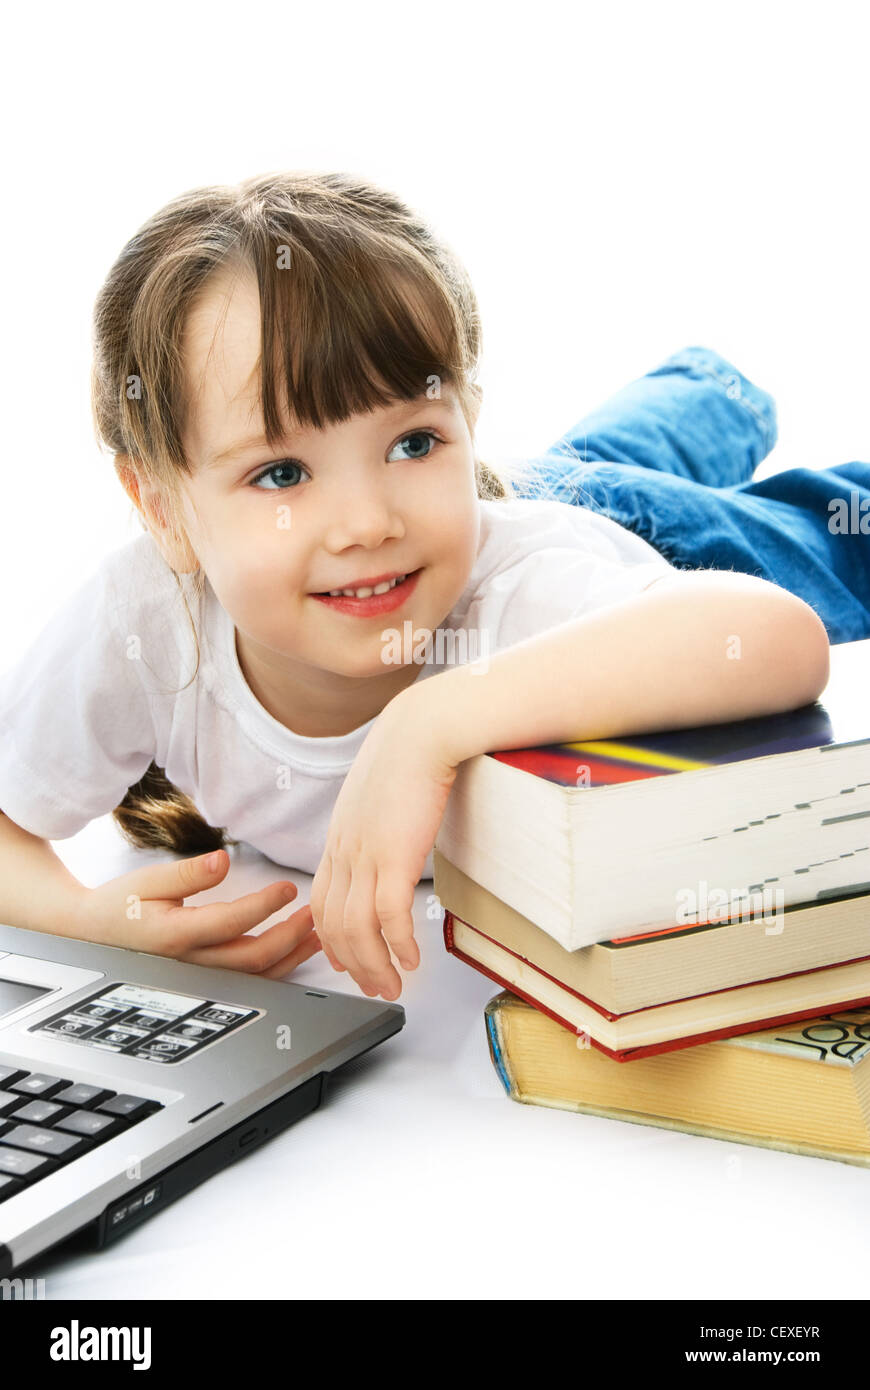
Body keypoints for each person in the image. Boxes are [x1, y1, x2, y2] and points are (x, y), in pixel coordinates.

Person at [0, 172, 844, 1006]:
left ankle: (714, 396)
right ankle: (697, 394)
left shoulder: (527, 592)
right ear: (162, 508)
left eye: (413, 442)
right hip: (522, 510)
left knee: (817, 533)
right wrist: (78, 918)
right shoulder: (145, 622)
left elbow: (780, 637)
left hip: (652, 563)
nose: (365, 522)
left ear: (466, 420)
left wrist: (426, 722)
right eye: (282, 471)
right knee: (591, 465)